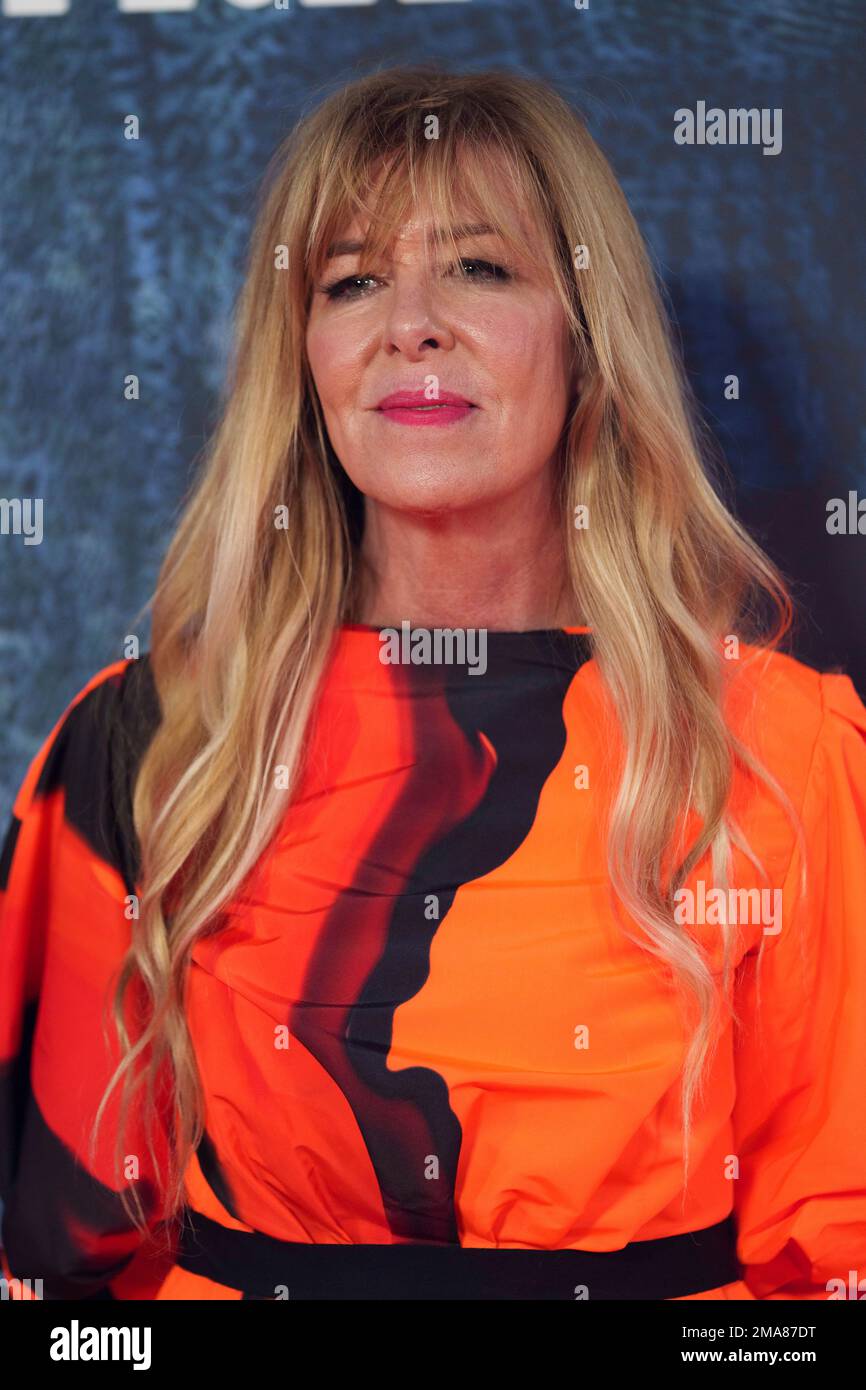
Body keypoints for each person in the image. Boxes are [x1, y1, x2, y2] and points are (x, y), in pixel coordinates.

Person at [1, 64, 864, 1302]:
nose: (411, 322)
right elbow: (68, 1271)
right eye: (352, 280)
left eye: (478, 267)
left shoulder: (776, 747)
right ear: (304, 358)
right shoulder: (155, 739)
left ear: (585, 334)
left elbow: (833, 1253)